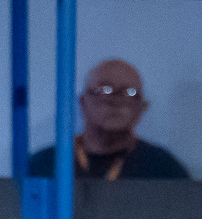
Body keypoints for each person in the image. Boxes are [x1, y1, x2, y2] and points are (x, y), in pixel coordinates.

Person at [26, 59, 190, 182]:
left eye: (129, 93)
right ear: (83, 103)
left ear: (141, 108)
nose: (115, 101)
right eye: (104, 90)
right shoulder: (44, 165)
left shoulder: (163, 169)